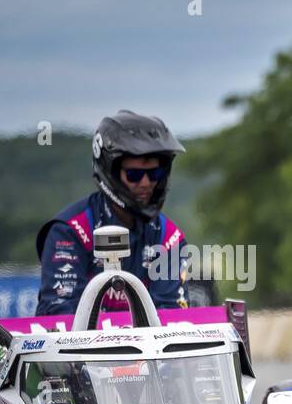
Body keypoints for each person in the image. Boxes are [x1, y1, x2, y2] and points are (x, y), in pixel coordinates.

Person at [35, 111, 193, 317]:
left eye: (155, 173)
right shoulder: (70, 231)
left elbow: (172, 316)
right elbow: (59, 317)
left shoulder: (169, 237)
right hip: (80, 348)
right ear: (110, 172)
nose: (146, 183)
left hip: (149, 348)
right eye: (134, 174)